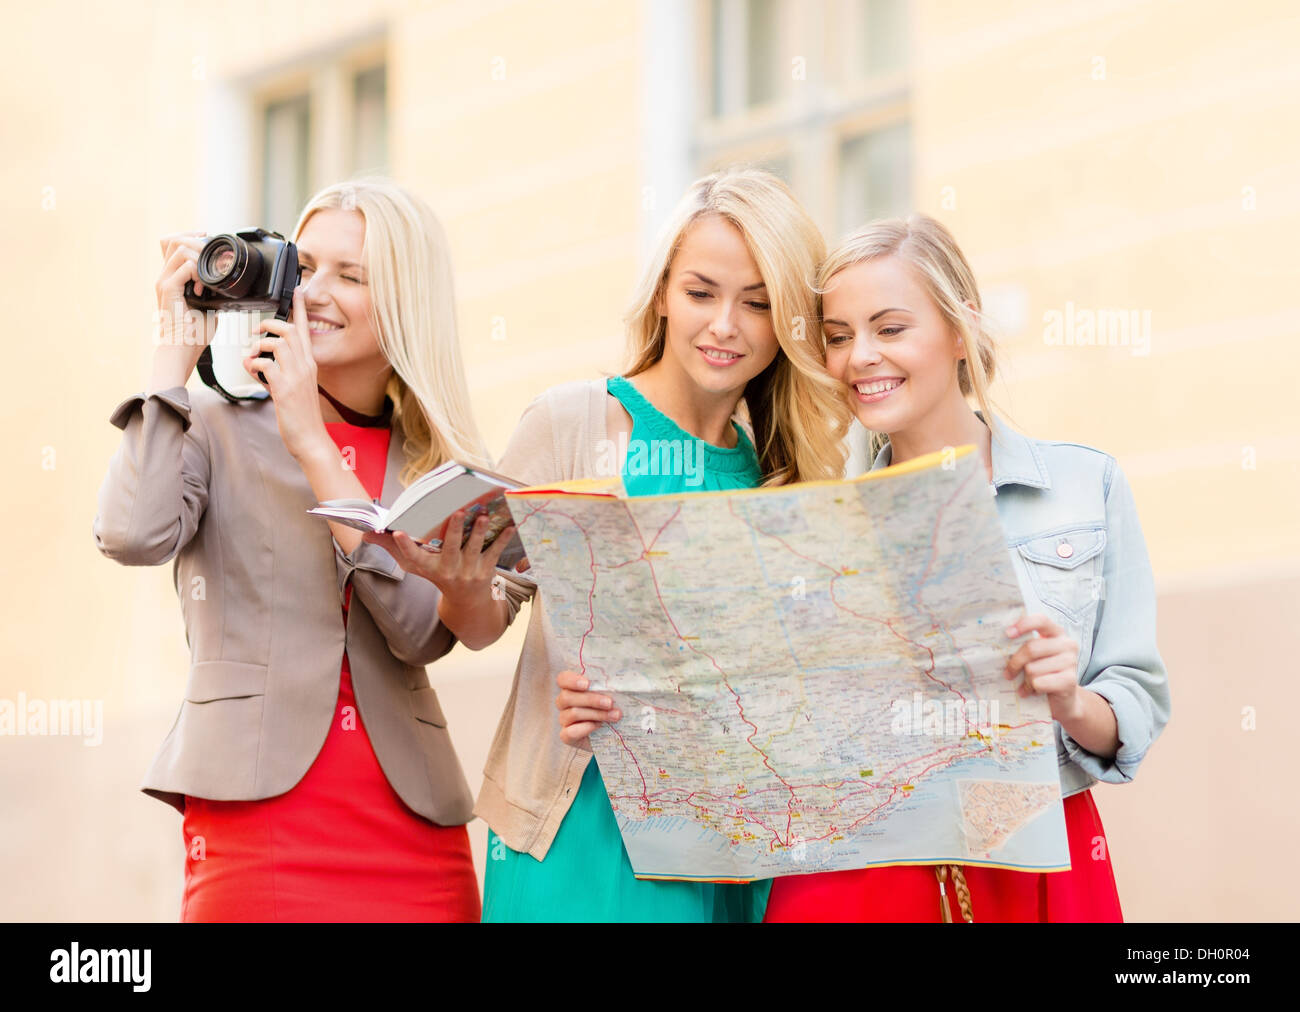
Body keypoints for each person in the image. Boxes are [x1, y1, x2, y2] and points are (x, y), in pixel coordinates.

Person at [559, 212, 1172, 922]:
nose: (860, 359)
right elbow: (748, 721)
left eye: (890, 328)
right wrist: (620, 709)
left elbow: (1133, 706)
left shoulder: (1081, 487)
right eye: (840, 337)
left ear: (959, 329)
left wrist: (1067, 701)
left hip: (1031, 853)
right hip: (857, 868)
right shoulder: (807, 523)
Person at [373, 167, 851, 921]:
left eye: (758, 304)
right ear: (663, 292)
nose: (725, 325)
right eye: (702, 293)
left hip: (724, 849)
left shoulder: (782, 474)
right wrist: (461, 584)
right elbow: (484, 623)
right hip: (577, 826)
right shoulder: (572, 425)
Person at [92, 178, 504, 921]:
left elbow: (419, 633)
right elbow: (131, 534)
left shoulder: (436, 465)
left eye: (351, 276)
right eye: (305, 267)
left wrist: (314, 445)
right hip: (254, 827)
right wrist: (169, 364)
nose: (315, 293)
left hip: (413, 840)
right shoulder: (213, 425)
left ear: (406, 302)